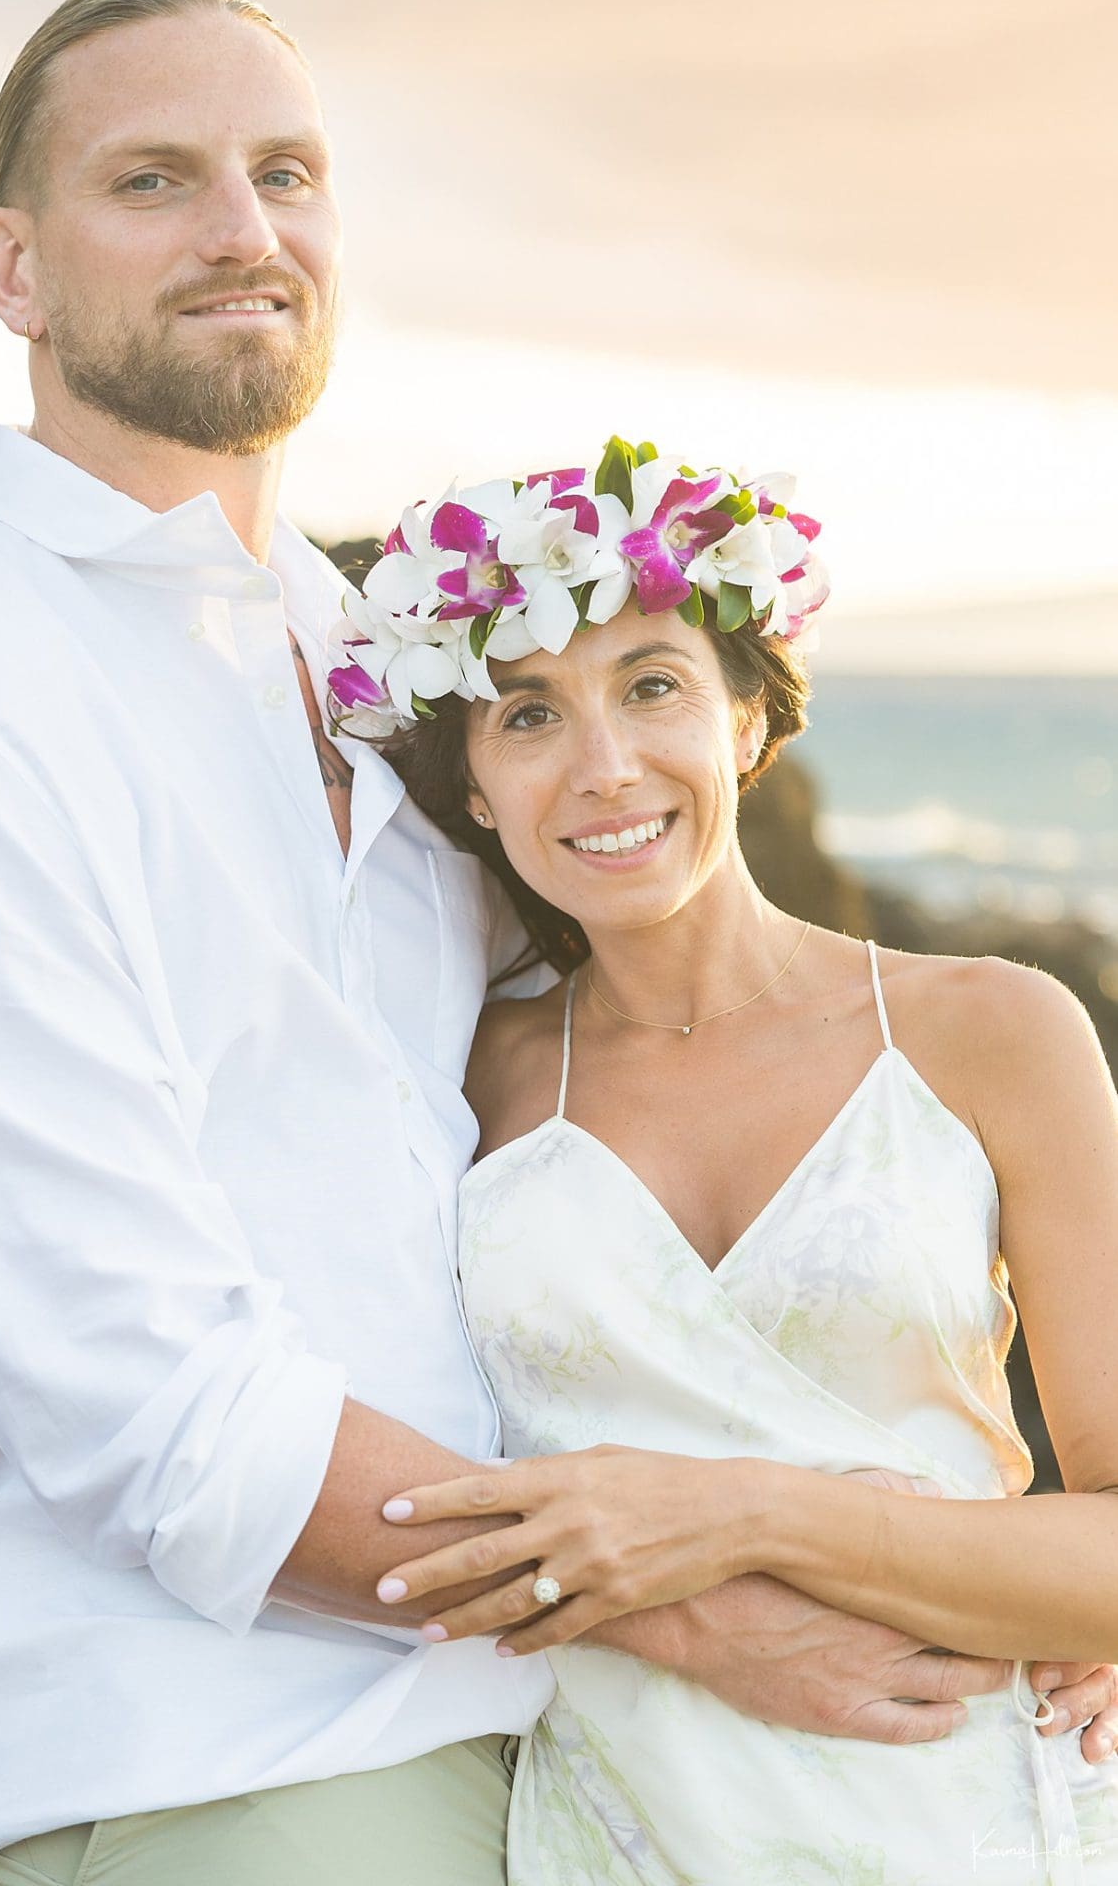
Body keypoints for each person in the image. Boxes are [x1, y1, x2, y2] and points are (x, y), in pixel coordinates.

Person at [0, 0, 1109, 1886]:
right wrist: (695, 1603)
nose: (243, 230)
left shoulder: (364, 662)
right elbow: (147, 1405)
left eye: (286, 172)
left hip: (506, 1706)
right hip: (167, 1735)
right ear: (13, 268)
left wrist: (1007, 1579)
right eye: (152, 179)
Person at [328, 441, 1118, 1880]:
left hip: (983, 1819)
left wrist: (735, 1513)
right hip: (614, 1832)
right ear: (475, 790)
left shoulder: (995, 1032)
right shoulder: (454, 1080)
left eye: (652, 686)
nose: (604, 767)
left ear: (748, 717)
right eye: (527, 714)